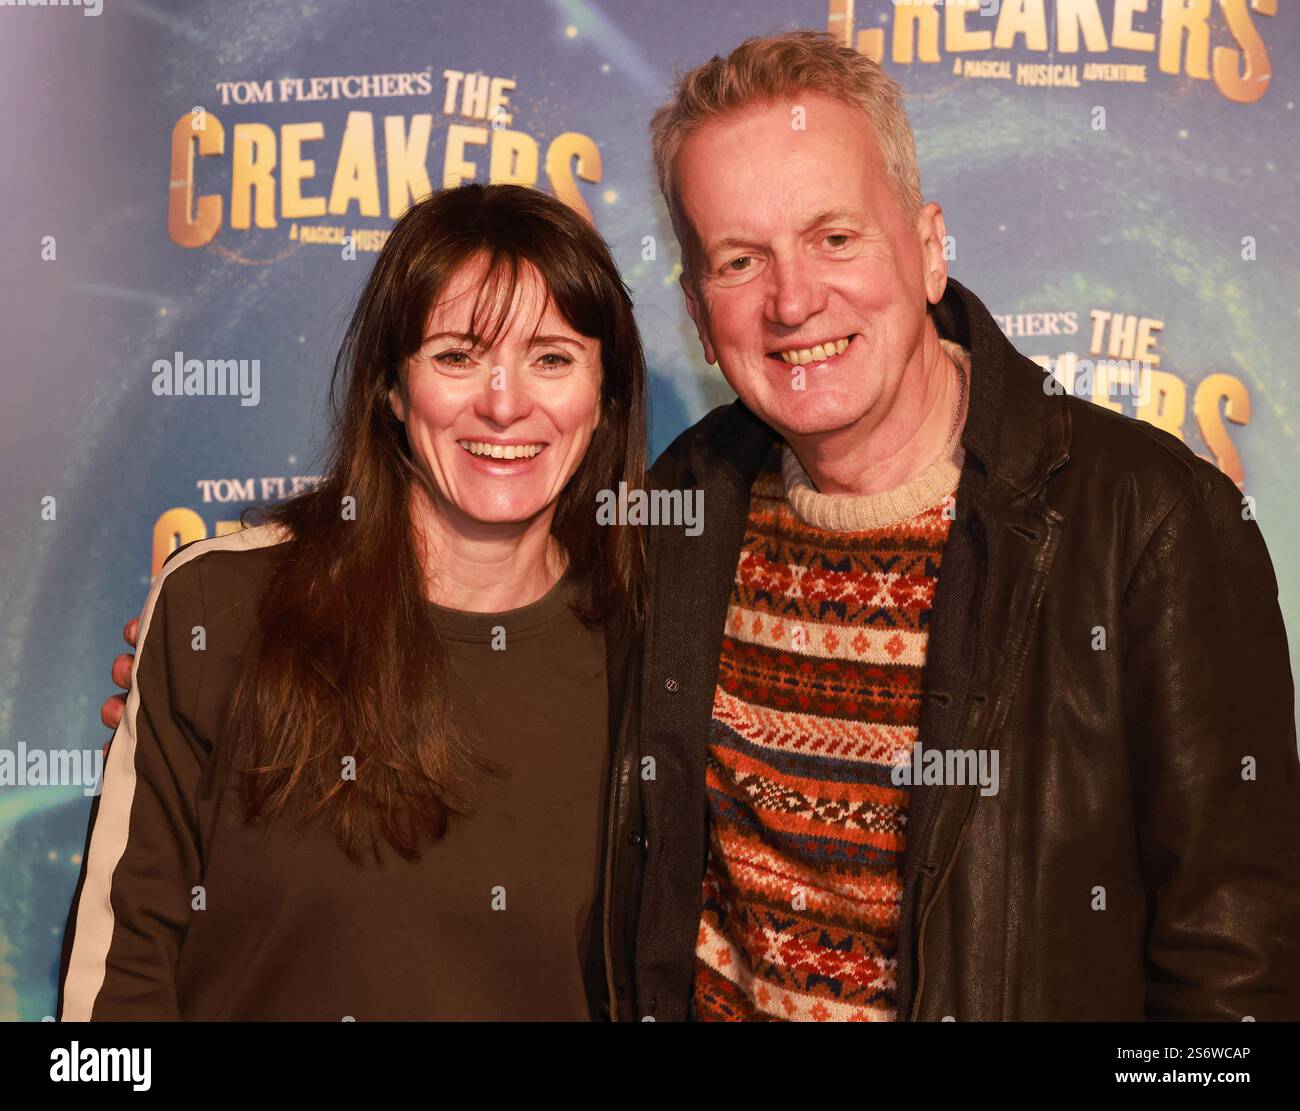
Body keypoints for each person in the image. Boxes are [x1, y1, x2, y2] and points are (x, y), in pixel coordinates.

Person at [619, 30, 1300, 1021]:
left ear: (930, 248)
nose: (794, 299)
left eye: (835, 237)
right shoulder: (687, 501)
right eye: (740, 259)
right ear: (695, 307)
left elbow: (1236, 965)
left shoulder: (1146, 521)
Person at [63, 182, 647, 1021]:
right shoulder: (220, 608)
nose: (505, 401)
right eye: (455, 355)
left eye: (552, 357)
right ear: (393, 388)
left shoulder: (653, 655)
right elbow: (118, 995)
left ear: (605, 395)